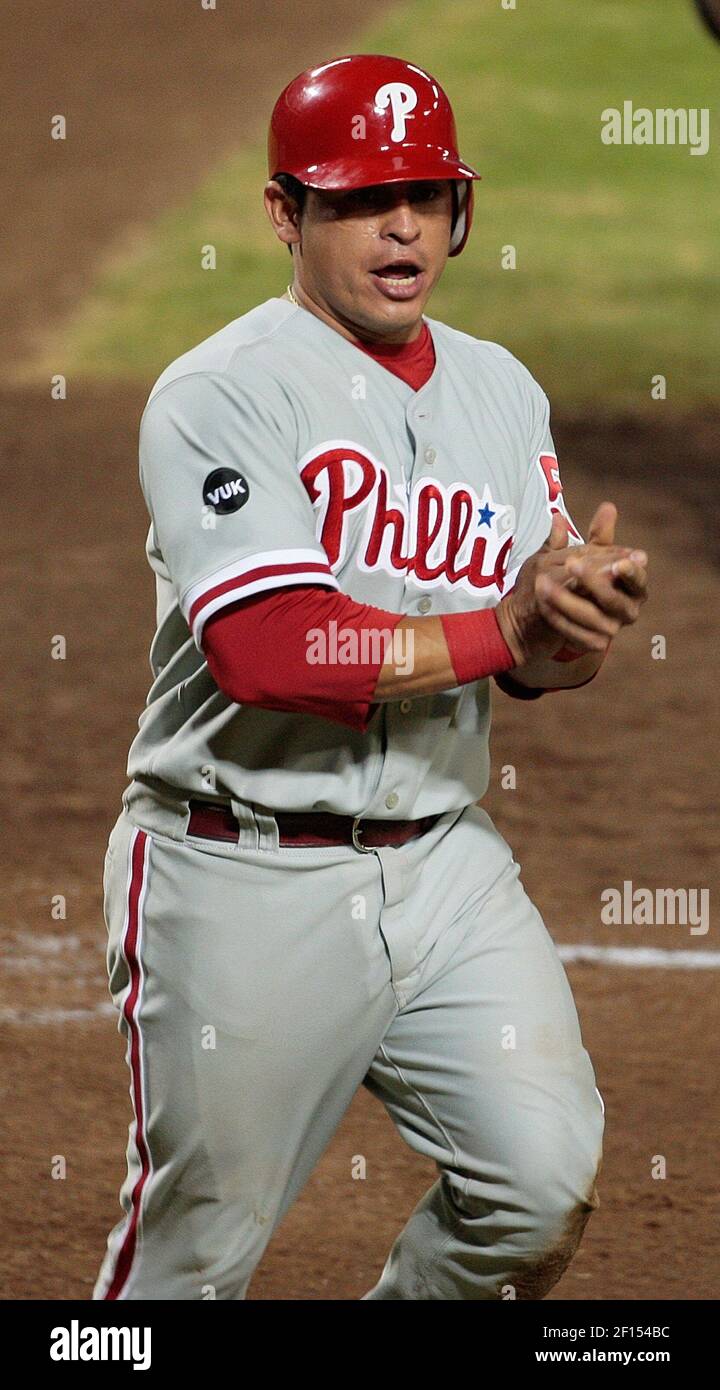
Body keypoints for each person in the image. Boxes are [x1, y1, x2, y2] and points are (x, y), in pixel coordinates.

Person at [94, 54, 648, 1301]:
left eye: (427, 194)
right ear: (286, 213)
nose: (401, 224)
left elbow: (530, 657)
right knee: (189, 1266)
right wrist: (504, 628)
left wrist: (569, 625)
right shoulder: (222, 392)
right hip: (238, 869)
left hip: (445, 864)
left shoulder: (503, 390)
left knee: (535, 1184)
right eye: (358, 197)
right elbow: (272, 649)